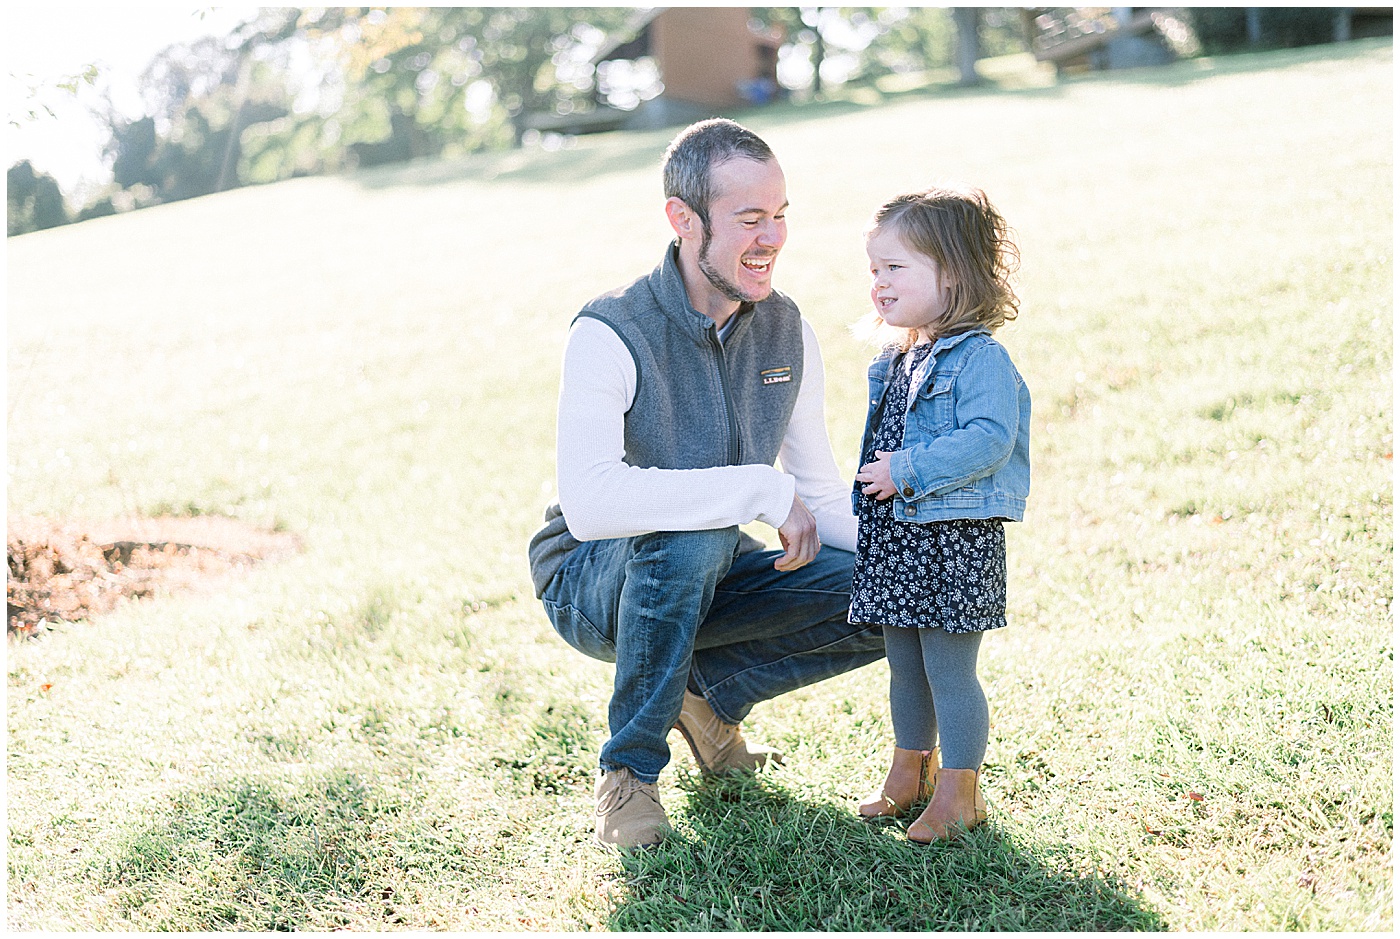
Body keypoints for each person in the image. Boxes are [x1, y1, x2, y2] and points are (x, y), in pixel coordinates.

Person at [527, 119, 885, 850]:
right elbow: (594, 505)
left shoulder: (789, 333)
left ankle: (705, 696)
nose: (773, 237)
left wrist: (913, 549)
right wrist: (756, 487)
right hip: (593, 581)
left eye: (781, 215)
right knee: (692, 533)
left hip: (708, 566)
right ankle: (628, 774)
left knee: (896, 589)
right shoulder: (609, 329)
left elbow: (816, 495)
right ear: (682, 219)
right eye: (750, 219)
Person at [848, 186, 1030, 844]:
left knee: (949, 669)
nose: (879, 282)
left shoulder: (980, 358)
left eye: (895, 267)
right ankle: (908, 775)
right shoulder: (896, 359)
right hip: (900, 542)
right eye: (873, 269)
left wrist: (906, 470)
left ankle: (960, 791)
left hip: (954, 541)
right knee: (904, 664)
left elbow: (989, 438)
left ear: (952, 275)